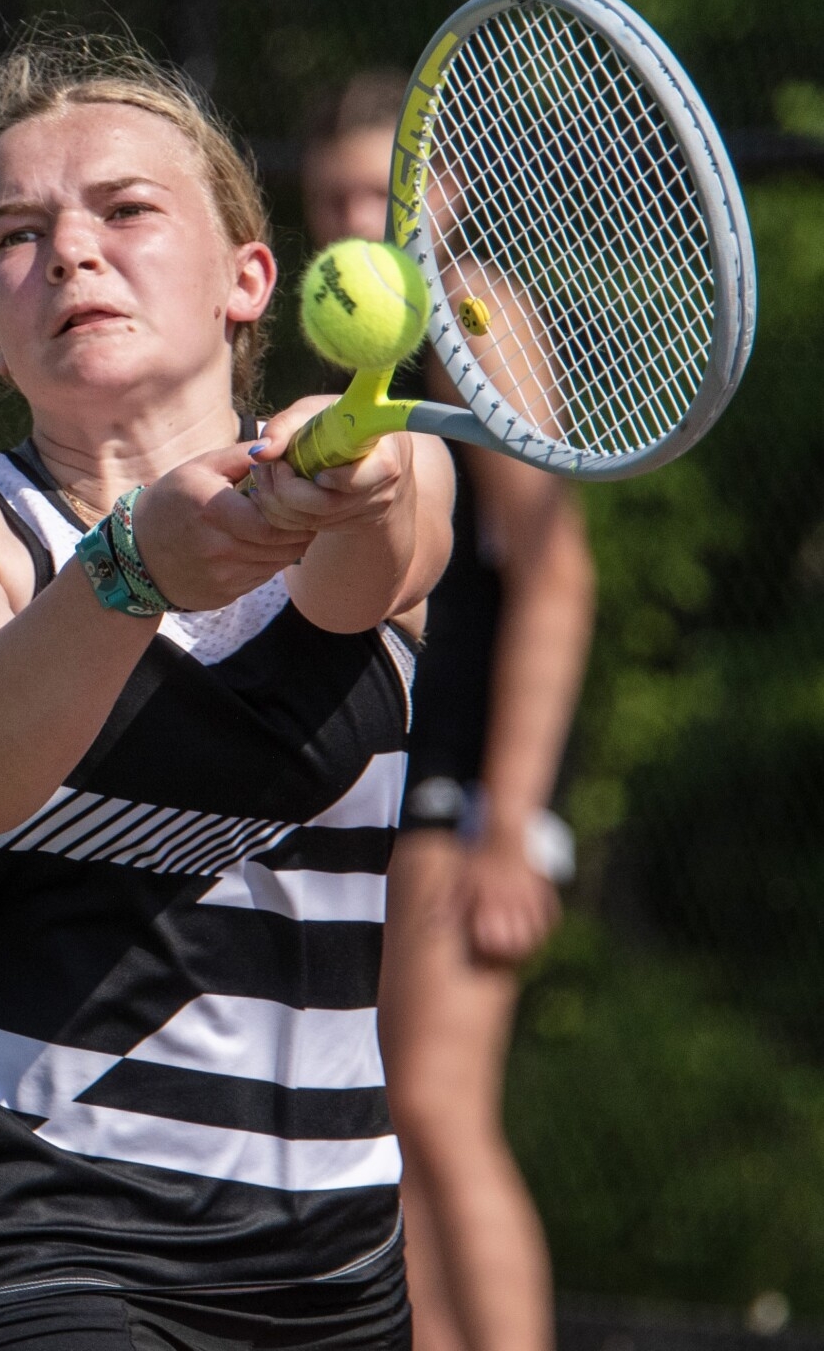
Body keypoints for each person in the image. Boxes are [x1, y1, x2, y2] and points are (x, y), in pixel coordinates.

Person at [0, 31, 456, 1351]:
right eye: (16, 235)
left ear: (247, 278)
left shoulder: (382, 467)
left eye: (124, 209)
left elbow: (367, 569)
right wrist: (128, 570)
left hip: (339, 1266)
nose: (70, 250)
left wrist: (346, 489)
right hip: (38, 1240)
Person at [300, 72, 597, 1351]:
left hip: (471, 783)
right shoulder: (358, 349)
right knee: (386, 1116)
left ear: (442, 198)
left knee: (432, 1101)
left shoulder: (477, 313)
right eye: (331, 200)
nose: (354, 219)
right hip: (398, 778)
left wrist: (507, 821)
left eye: (379, 193)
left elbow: (554, 572)